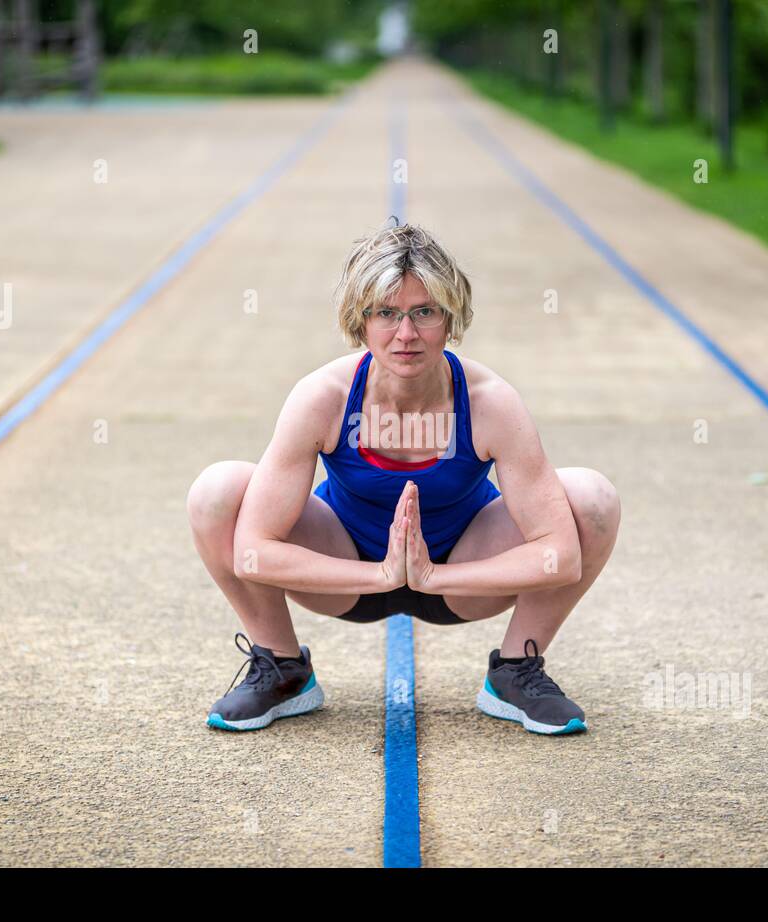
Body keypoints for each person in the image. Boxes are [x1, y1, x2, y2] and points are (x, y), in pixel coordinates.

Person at [187, 222, 620, 735]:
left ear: (450, 317)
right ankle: (281, 666)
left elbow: (560, 554)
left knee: (592, 498)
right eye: (386, 314)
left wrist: (433, 576)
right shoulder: (321, 396)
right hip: (347, 572)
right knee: (217, 491)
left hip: (461, 577)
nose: (406, 334)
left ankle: (516, 670)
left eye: (424, 313)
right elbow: (253, 551)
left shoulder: (490, 402)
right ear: (360, 321)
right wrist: (382, 575)